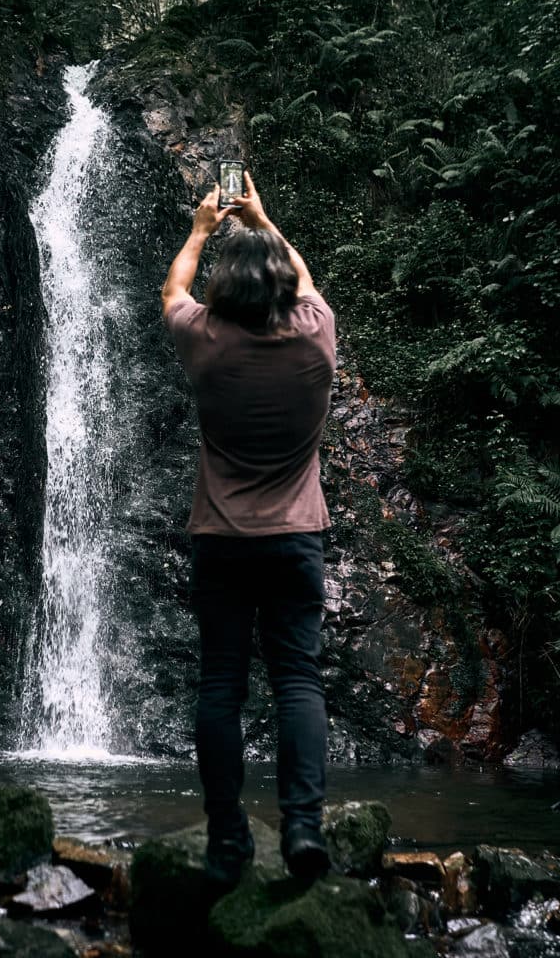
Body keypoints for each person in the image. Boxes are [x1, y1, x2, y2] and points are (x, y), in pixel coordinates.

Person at [161, 171, 336, 884]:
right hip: (296, 538)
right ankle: (301, 830)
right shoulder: (316, 338)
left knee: (221, 685)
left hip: (223, 539)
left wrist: (204, 229)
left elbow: (173, 290)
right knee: (298, 680)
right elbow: (307, 280)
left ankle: (227, 835)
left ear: (224, 293)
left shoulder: (207, 341)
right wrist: (264, 221)